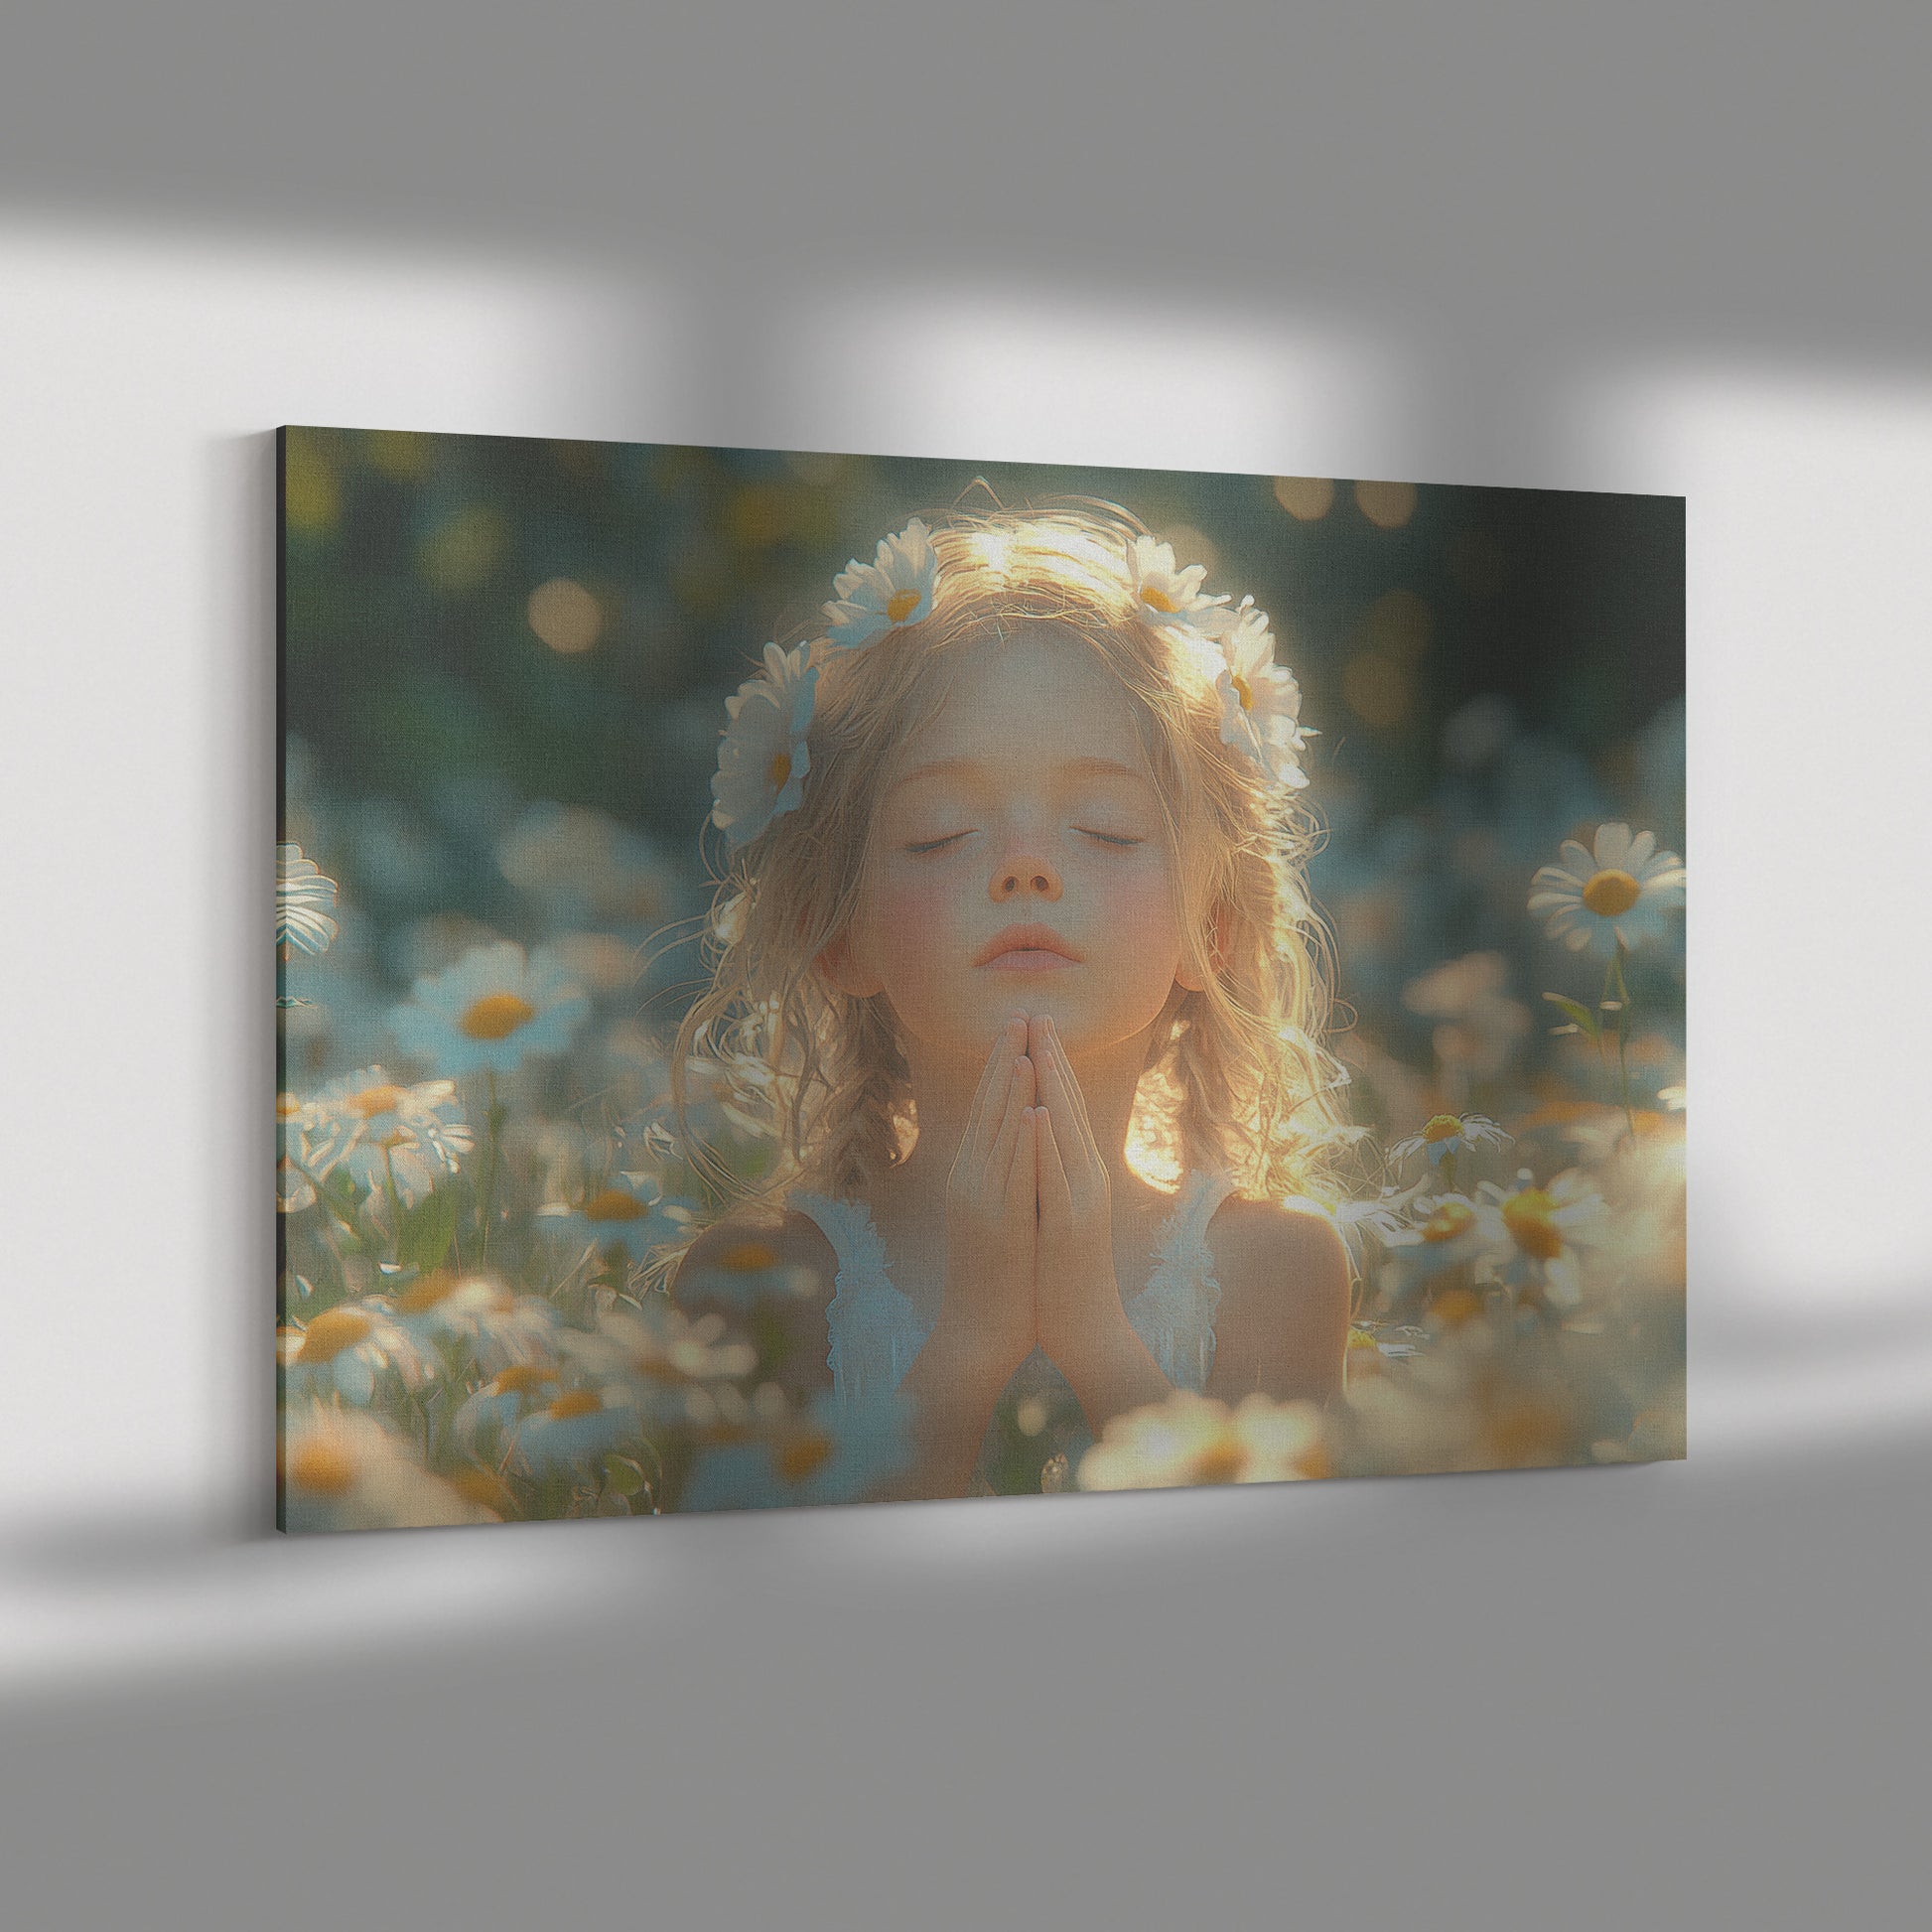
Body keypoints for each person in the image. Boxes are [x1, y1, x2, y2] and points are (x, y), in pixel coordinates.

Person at [663, 503, 1353, 1500]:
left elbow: (1270, 1584)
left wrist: (1092, 1331)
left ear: (1213, 927)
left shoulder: (1277, 1270)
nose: (1026, 867)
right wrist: (973, 1336)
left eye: (1106, 829)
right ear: (837, 930)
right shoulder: (756, 1289)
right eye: (942, 832)